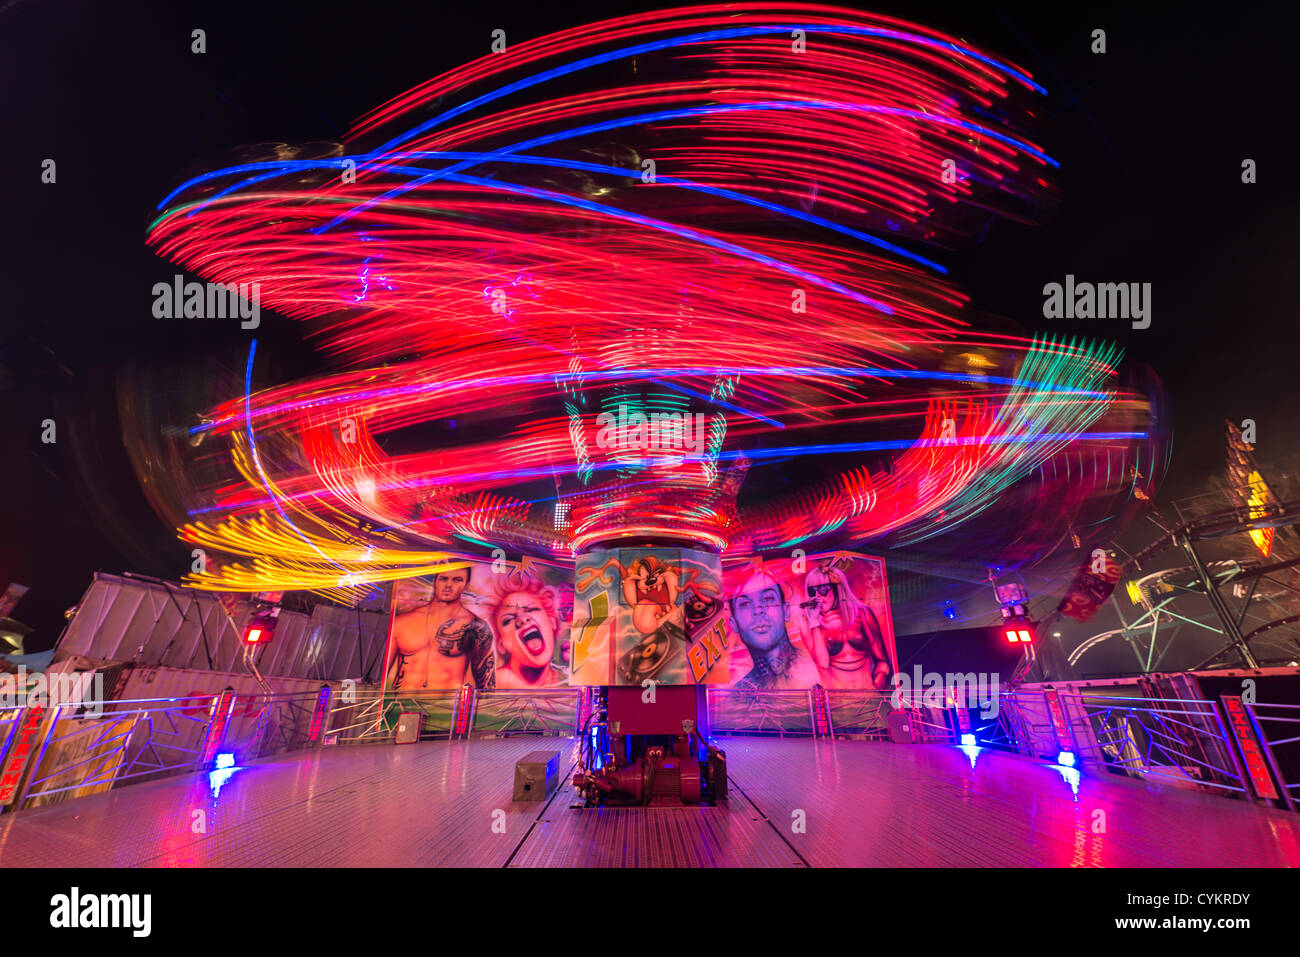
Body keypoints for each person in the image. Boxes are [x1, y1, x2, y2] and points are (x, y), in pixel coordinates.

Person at [387, 566, 495, 690]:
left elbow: (486, 684)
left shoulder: (476, 626)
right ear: (435, 582)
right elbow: (383, 672)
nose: (448, 585)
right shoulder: (403, 622)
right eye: (443, 579)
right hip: (401, 704)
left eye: (457, 580)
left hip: (445, 706)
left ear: (466, 585)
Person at [800, 562, 892, 689]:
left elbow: (882, 660)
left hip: (868, 693)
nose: (817, 596)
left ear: (837, 589)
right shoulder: (808, 623)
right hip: (837, 702)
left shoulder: (862, 613)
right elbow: (823, 663)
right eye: (812, 591)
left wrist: (878, 684)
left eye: (823, 590)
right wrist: (814, 623)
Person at [728, 571, 817, 690]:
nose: (758, 610)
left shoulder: (816, 669)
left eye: (767, 598)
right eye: (745, 603)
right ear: (734, 623)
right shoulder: (739, 695)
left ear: (785, 611)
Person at [491, 570, 567, 689]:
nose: (522, 619)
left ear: (551, 622)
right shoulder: (497, 681)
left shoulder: (566, 681)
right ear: (501, 644)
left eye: (532, 609)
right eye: (508, 620)